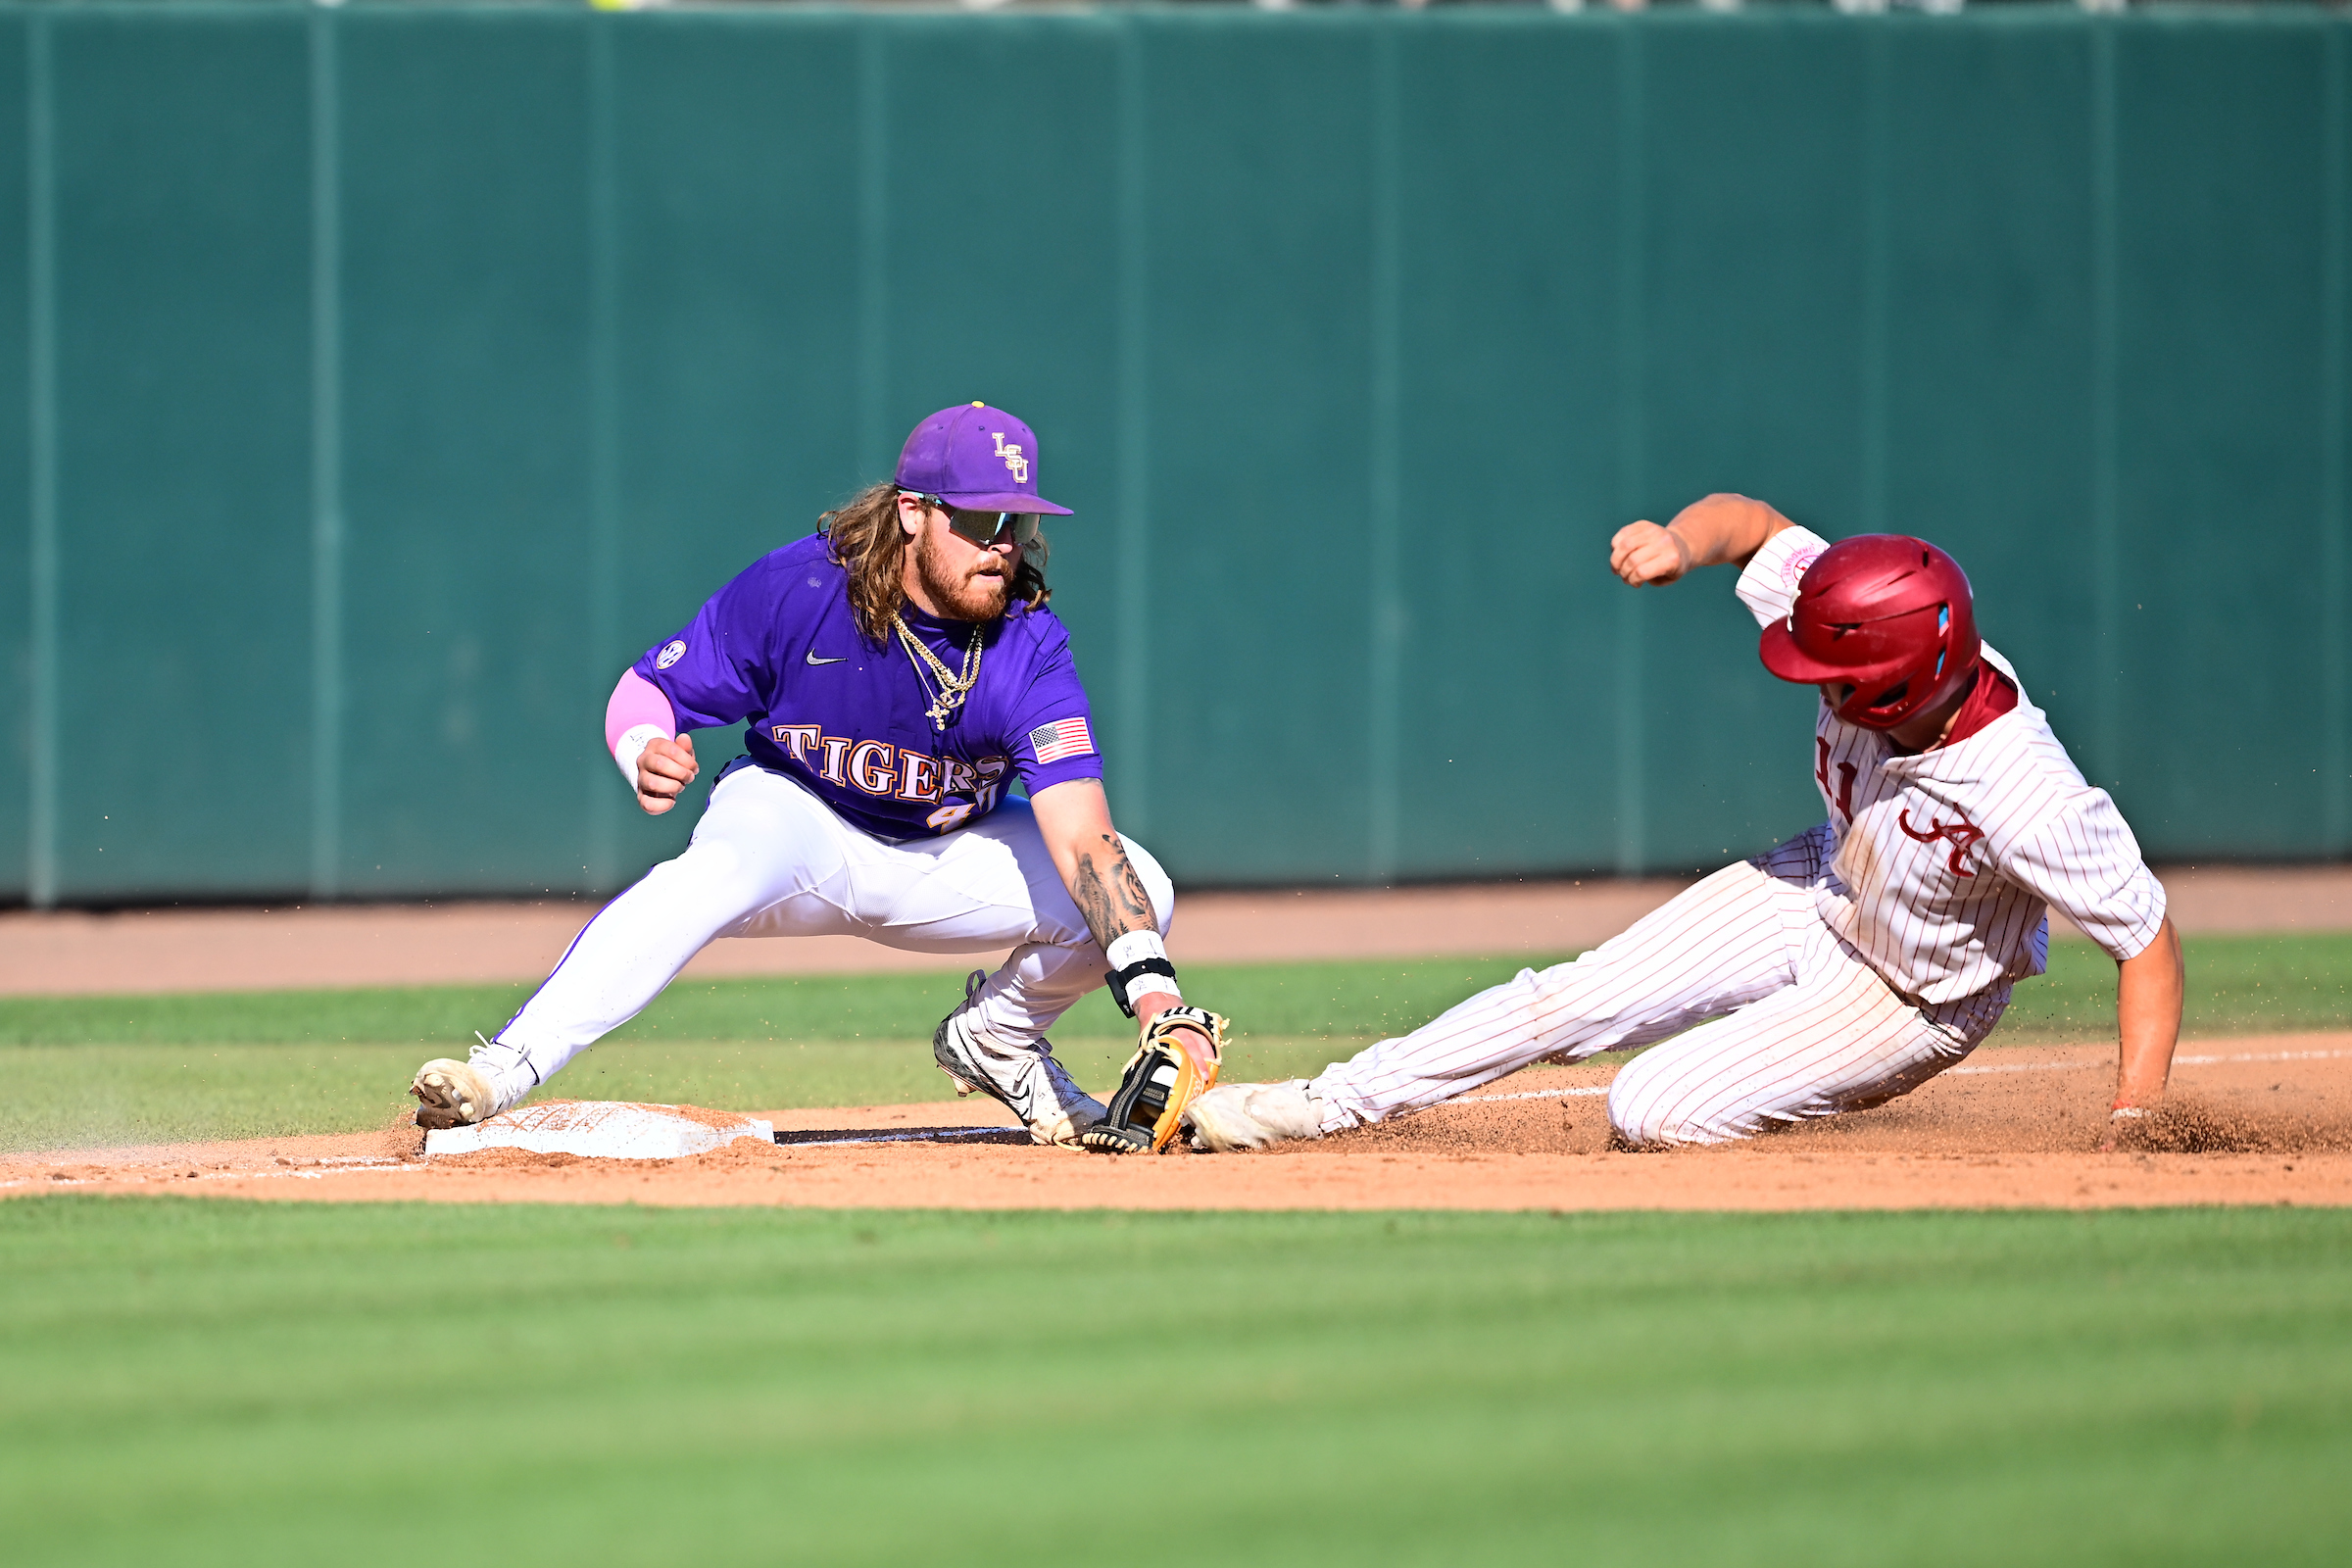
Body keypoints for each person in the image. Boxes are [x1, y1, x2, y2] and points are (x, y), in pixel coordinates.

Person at [1184, 493, 2184, 1152]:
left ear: (1900, 683)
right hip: (1821, 886)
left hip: (1915, 993)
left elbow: (2145, 938)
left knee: (1651, 1106)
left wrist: (2136, 1117)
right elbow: (1750, 522)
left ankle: (1800, 1131)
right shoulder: (1862, 607)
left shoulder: (2027, 787)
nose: (1813, 681)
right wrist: (1679, 541)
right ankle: (1329, 1103)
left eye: (1835, 676)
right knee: (1571, 998)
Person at [410, 403, 1218, 1151]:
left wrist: (1159, 1004)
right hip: (794, 824)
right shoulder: (802, 589)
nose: (1001, 543)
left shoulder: (1029, 646)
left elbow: (1083, 839)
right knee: (706, 874)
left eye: (1017, 521)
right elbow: (648, 688)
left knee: (1144, 884)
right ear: (912, 511)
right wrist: (642, 746)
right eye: (977, 519)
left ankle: (998, 1038)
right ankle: (503, 1070)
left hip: (945, 855)